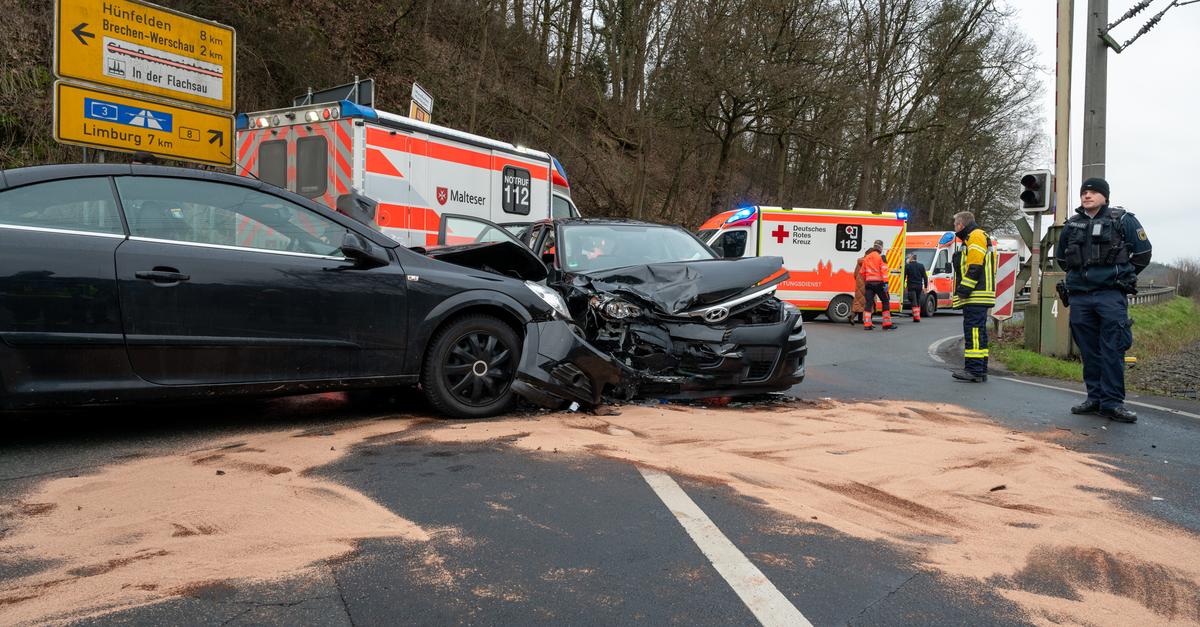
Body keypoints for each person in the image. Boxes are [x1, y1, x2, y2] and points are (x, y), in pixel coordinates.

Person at [1056, 178, 1152, 423]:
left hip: (1110, 294)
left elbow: (1142, 253)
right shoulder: (1072, 224)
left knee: (1112, 349)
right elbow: (1062, 259)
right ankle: (1095, 398)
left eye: (1093, 192)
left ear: (1105, 196)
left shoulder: (1123, 220)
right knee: (1088, 351)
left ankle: (1112, 403)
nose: (1087, 195)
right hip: (1080, 297)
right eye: (1084, 192)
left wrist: (1121, 275)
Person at [950, 211, 996, 382]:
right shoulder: (977, 236)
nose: (955, 228)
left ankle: (974, 370)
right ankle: (980, 369)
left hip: (976, 294)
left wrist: (963, 290)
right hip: (980, 294)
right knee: (980, 332)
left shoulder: (975, 236)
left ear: (961, 225)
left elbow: (975, 266)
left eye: (955, 225)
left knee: (974, 332)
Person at [860, 240, 895, 330]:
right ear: (880, 247)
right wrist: (886, 283)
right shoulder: (881, 257)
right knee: (885, 301)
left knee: (868, 303)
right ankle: (886, 324)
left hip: (869, 284)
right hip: (879, 283)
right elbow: (884, 271)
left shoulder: (867, 257)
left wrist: (866, 280)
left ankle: (867, 324)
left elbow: (862, 272)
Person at [904, 253, 928, 322]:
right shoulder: (921, 266)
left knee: (913, 301)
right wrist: (925, 287)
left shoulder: (908, 266)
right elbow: (925, 277)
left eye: (909, 257)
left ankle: (916, 317)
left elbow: (904, 276)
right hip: (919, 286)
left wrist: (903, 286)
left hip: (911, 286)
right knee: (917, 300)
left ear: (911, 258)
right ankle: (917, 316)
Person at [851, 253, 867, 325]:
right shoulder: (868, 262)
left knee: (859, 302)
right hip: (865, 284)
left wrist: (858, 281)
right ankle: (867, 321)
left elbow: (855, 274)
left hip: (859, 284)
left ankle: (857, 318)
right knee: (869, 303)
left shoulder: (859, 262)